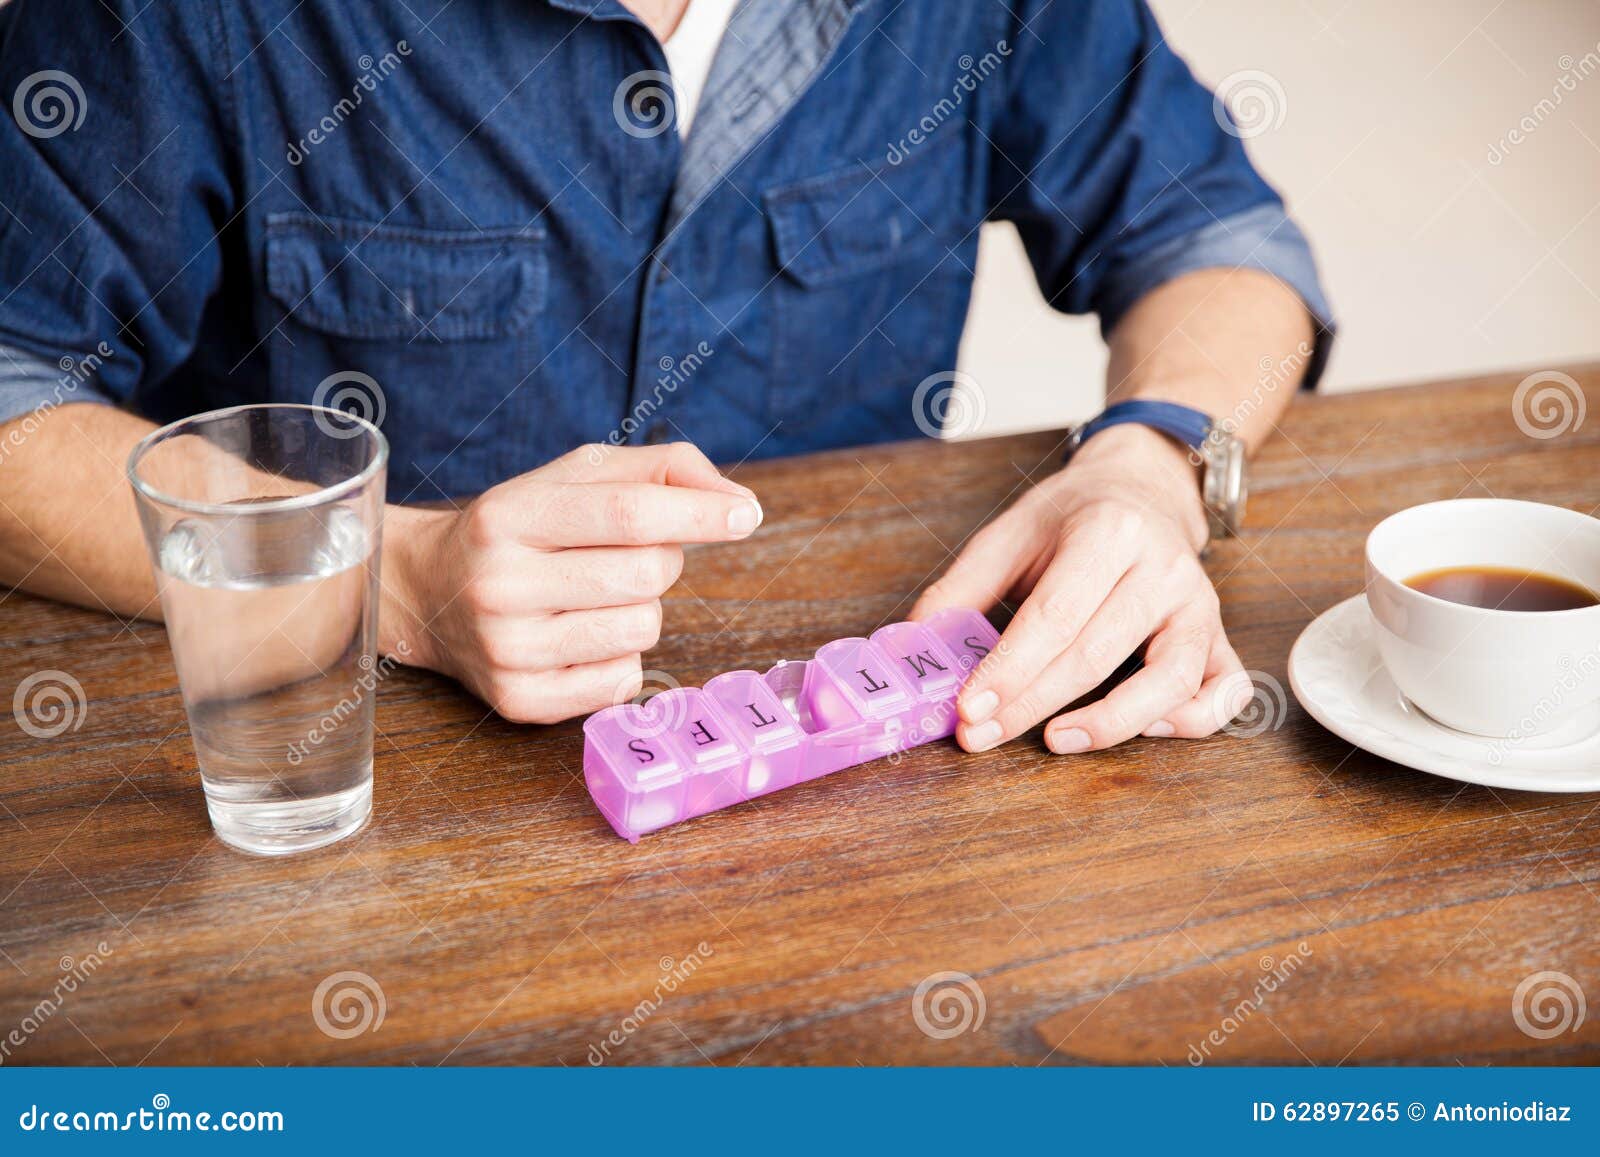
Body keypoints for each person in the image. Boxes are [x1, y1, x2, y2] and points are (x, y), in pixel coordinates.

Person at [0, 0, 1332, 754]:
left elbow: (1218, 242)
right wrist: (388, 579)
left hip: (875, 807)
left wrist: (1150, 467)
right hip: (334, 792)